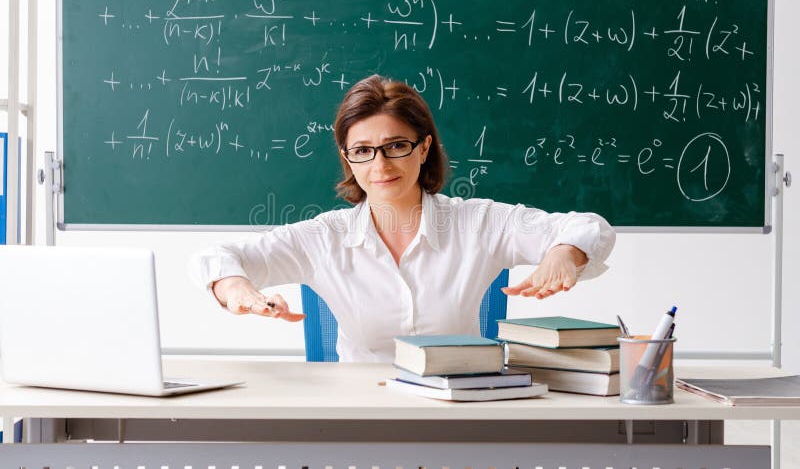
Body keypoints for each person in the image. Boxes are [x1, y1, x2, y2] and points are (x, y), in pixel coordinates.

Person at [191, 74, 615, 362]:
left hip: (460, 415)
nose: (380, 164)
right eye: (362, 150)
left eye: (396, 145)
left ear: (424, 147)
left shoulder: (479, 223)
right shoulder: (323, 238)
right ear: (348, 158)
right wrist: (235, 286)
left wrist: (564, 252)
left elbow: (589, 227)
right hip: (361, 422)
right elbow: (218, 256)